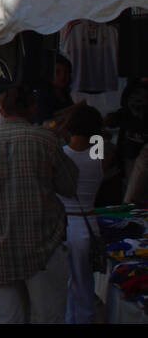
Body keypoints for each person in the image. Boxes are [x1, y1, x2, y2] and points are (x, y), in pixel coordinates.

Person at [0, 86, 78, 324]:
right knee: (51, 319)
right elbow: (69, 185)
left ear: (1, 110)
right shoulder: (46, 141)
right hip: (43, 247)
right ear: (31, 109)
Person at [60, 104, 104, 324]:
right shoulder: (99, 156)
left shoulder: (60, 155)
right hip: (89, 222)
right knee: (85, 284)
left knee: (66, 284)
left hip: (65, 224)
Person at [37, 54, 75, 125]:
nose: (62, 76)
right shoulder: (42, 96)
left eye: (66, 72)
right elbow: (45, 122)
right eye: (57, 72)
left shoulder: (65, 94)